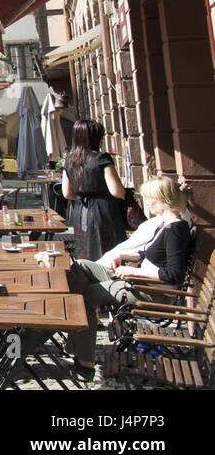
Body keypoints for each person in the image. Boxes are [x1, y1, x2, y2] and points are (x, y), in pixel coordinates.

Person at [62, 176, 194, 378]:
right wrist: (124, 255)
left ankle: (85, 360)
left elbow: (174, 275)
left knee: (86, 296)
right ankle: (74, 339)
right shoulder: (165, 224)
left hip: (150, 291)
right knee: (79, 268)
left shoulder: (175, 229)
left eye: (150, 198)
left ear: (163, 199)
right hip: (139, 281)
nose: (146, 202)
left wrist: (134, 272)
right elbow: (154, 255)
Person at [62, 119, 126, 261]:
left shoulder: (70, 160)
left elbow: (66, 193)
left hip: (80, 210)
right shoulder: (101, 158)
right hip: (103, 211)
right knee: (108, 249)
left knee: (86, 249)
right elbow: (117, 191)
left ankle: (89, 276)